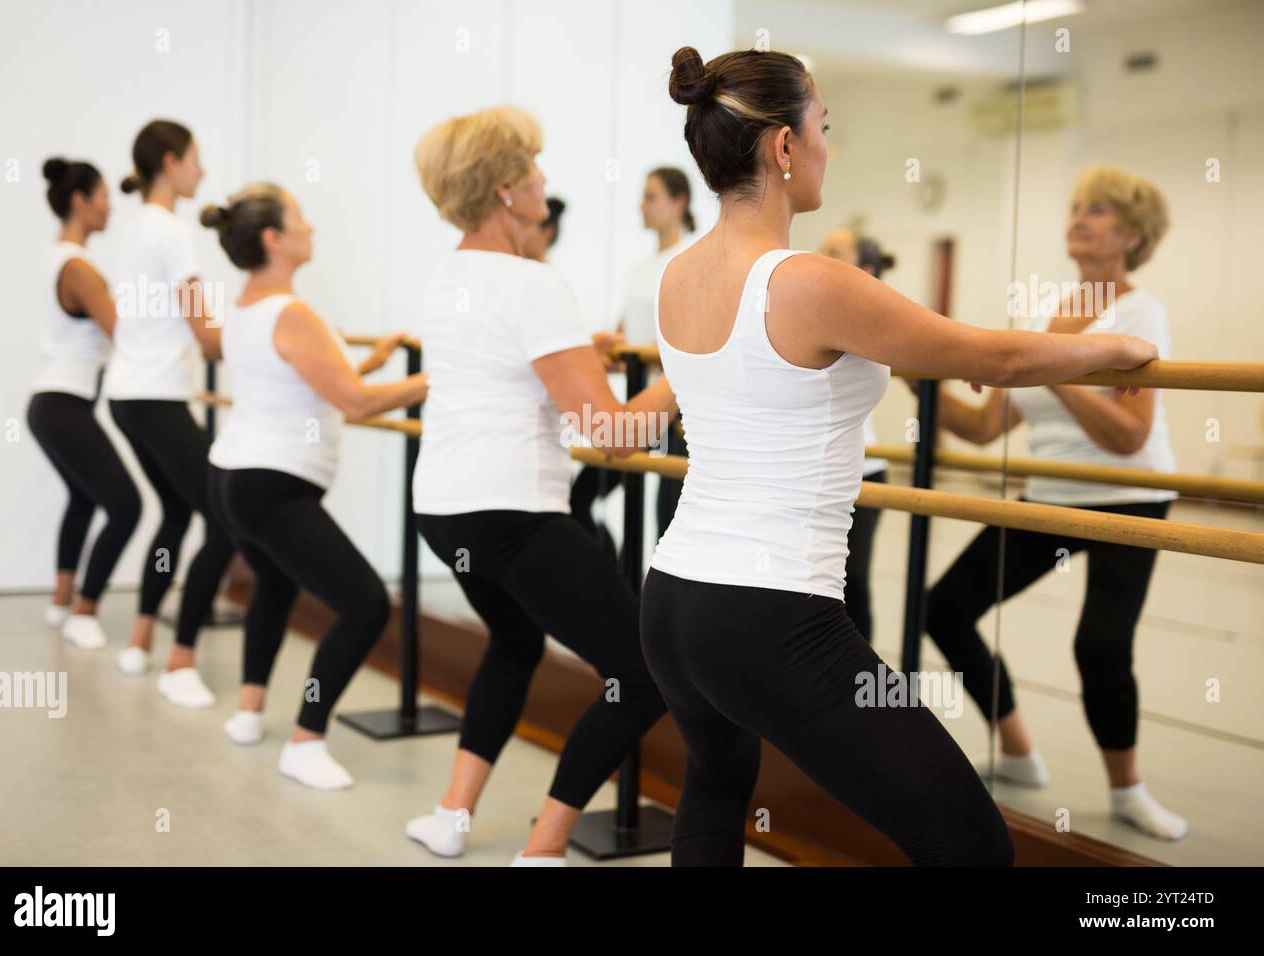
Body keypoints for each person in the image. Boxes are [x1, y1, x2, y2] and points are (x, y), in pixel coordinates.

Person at [641, 46, 1158, 867]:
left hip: (673, 600)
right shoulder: (810, 280)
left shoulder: (679, 276)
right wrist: (1116, 346)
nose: (826, 150)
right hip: (771, 613)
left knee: (715, 787)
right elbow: (995, 359)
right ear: (782, 147)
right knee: (972, 845)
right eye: (823, 130)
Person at [404, 106, 677, 865]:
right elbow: (613, 436)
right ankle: (545, 848)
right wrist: (689, 370)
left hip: (443, 511)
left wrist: (573, 351)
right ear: (503, 191)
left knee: (515, 642)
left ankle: (451, 817)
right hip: (513, 514)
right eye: (532, 171)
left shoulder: (447, 275)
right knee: (642, 671)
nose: (544, 183)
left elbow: (502, 358)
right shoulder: (534, 283)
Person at [925, 166, 1185, 841]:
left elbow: (1129, 437)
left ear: (1130, 235)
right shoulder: (1043, 318)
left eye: (1097, 210)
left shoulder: (1139, 313)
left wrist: (1055, 366)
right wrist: (909, 374)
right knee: (946, 607)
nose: (1079, 218)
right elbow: (985, 429)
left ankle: (1128, 790)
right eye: (1075, 207)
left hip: (1132, 499)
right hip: (1053, 496)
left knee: (1099, 644)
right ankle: (1018, 751)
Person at [202, 183, 426, 789]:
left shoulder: (249, 305)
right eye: (300, 220)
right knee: (365, 604)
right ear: (274, 239)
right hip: (268, 484)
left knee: (273, 584)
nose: (312, 229)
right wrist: (432, 378)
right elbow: (351, 403)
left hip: (232, 476)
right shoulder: (293, 313)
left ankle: (249, 712)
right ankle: (306, 740)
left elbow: (306, 379)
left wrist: (374, 365)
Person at [104, 119, 231, 707]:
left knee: (178, 513)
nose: (202, 171)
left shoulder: (131, 228)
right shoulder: (173, 231)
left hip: (126, 394)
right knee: (225, 518)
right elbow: (206, 334)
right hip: (155, 394)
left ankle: (139, 640)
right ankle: (179, 663)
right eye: (197, 159)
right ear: (172, 162)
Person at [29, 158, 140, 649]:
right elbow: (123, 332)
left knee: (83, 497)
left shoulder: (60, 257)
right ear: (80, 201)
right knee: (126, 504)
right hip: (63, 403)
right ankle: (86, 610)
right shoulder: (78, 266)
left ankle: (60, 599)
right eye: (102, 196)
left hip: (53, 403)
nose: (109, 205)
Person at [571, 167, 697, 546]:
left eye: (651, 196)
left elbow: (697, 336)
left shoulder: (691, 259)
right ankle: (619, 590)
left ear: (680, 202)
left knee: (667, 519)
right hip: (641, 404)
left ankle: (647, 599)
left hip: (677, 409)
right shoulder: (640, 268)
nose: (641, 205)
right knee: (581, 497)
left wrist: (654, 356)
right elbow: (626, 333)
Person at [820, 227, 897, 642]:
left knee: (850, 588)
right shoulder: (808, 305)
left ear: (865, 270)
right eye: (824, 249)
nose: (823, 256)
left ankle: (861, 693)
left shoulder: (870, 314)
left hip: (863, 472)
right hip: (819, 470)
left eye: (835, 251)